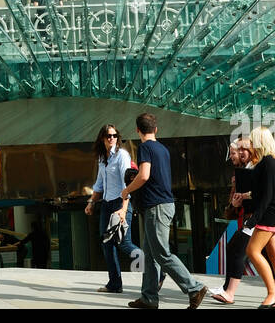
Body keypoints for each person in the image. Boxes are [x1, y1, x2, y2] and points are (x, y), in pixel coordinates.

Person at [121, 112, 207, 309]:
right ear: (156, 129)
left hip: (156, 206)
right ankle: (148, 298)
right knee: (150, 254)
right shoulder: (162, 148)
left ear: (137, 130)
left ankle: (194, 288)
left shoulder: (144, 147)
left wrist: (126, 190)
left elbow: (144, 176)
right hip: (163, 204)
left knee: (161, 253)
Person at [84, 123, 140, 293]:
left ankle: (155, 270)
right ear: (103, 138)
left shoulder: (122, 155)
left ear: (118, 137)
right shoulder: (102, 158)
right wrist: (91, 202)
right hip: (107, 205)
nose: (112, 139)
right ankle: (115, 284)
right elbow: (99, 184)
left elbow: (127, 184)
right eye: (108, 136)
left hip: (120, 203)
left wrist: (124, 209)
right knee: (106, 244)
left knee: (124, 242)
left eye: (114, 136)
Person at [243, 125, 275, 308]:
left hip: (269, 214)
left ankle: (273, 293)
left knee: (252, 251)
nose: (250, 144)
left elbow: (268, 195)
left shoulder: (268, 162)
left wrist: (254, 218)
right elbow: (264, 192)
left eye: (253, 140)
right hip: (273, 212)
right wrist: (247, 196)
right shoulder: (269, 161)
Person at [207, 137, 253, 304]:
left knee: (238, 250)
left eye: (239, 151)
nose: (236, 155)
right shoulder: (243, 170)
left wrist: (243, 196)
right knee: (237, 249)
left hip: (257, 219)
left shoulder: (258, 167)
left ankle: (229, 291)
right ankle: (227, 289)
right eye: (236, 151)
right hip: (250, 218)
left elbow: (264, 192)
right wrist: (234, 203)